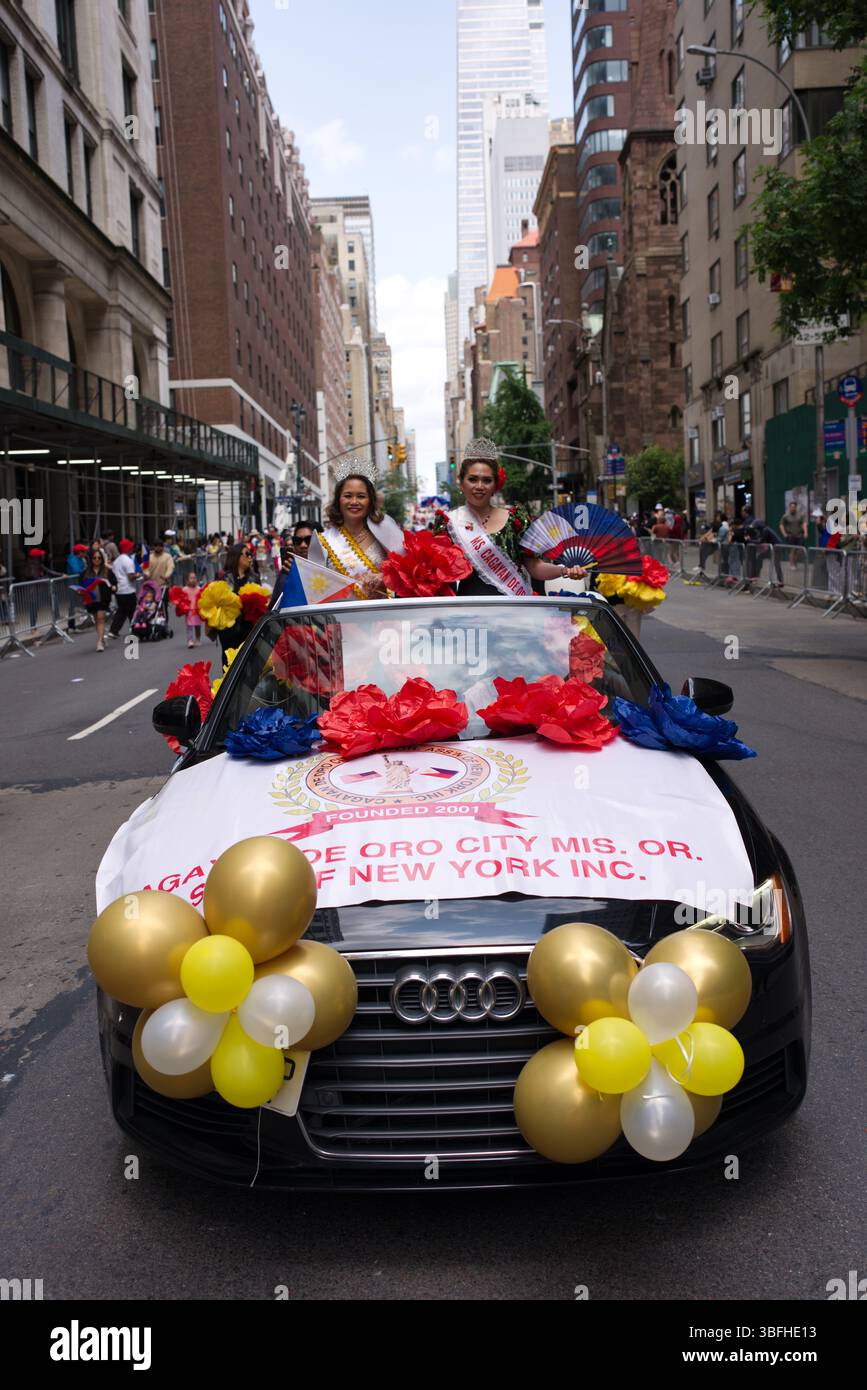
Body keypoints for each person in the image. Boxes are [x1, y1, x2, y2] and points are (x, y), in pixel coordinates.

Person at [433, 438, 586, 597]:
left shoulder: (515, 520)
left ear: (495, 485)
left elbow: (534, 567)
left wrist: (564, 570)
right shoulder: (449, 523)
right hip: (469, 611)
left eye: (487, 480)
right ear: (461, 483)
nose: (479, 486)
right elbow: (441, 576)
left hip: (514, 611)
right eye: (472, 479)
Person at [312, 459, 403, 599]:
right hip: (341, 617)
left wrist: (384, 578)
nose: (354, 502)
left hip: (383, 615)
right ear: (339, 500)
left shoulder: (385, 534)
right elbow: (314, 589)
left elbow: (405, 573)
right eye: (348, 496)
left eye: (361, 496)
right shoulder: (323, 540)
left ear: (370, 501)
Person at [81, 543, 114, 651]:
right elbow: (81, 586)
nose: (97, 560)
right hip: (91, 600)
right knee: (97, 619)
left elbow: (114, 583)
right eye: (94, 558)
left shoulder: (107, 571)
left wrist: (114, 587)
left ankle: (99, 642)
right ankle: (102, 638)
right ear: (91, 559)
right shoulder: (85, 573)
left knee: (100, 618)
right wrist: (80, 592)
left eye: (99, 558)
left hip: (103, 599)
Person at [108, 539, 138, 638]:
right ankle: (135, 629)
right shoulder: (128, 561)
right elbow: (130, 577)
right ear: (128, 548)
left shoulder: (117, 561)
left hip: (119, 589)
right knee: (132, 611)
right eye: (131, 547)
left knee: (122, 610)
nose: (133, 548)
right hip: (128, 589)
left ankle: (114, 630)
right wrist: (138, 575)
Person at [184, 570, 202, 648]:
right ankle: (190, 640)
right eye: (191, 578)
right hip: (189, 610)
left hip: (197, 609)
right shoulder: (185, 589)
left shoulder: (199, 588)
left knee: (198, 626)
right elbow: (181, 599)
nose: (193, 579)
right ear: (187, 580)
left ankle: (198, 639)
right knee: (189, 626)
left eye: (194, 578)